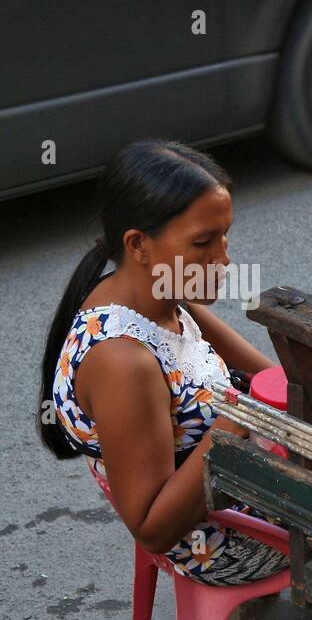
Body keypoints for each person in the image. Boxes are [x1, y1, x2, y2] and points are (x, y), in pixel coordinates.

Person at [38, 140, 288, 585]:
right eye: (203, 242)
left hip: (242, 491)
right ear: (138, 244)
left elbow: (272, 380)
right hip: (221, 544)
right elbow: (152, 528)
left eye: (225, 235)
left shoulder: (166, 298)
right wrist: (238, 420)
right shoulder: (123, 362)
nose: (224, 258)